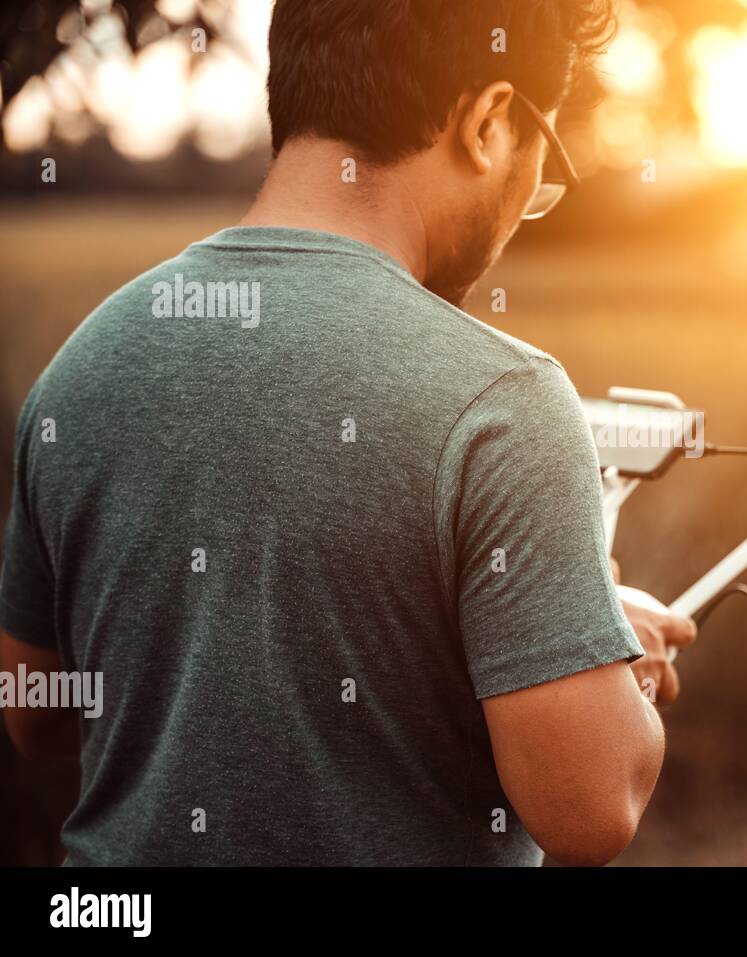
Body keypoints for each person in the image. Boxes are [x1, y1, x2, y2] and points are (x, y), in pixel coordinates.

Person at [0, 0, 696, 866]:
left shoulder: (82, 365)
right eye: (540, 157)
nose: (528, 204)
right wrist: (615, 670)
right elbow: (591, 807)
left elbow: (37, 710)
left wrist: (551, 632)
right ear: (487, 123)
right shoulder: (505, 396)